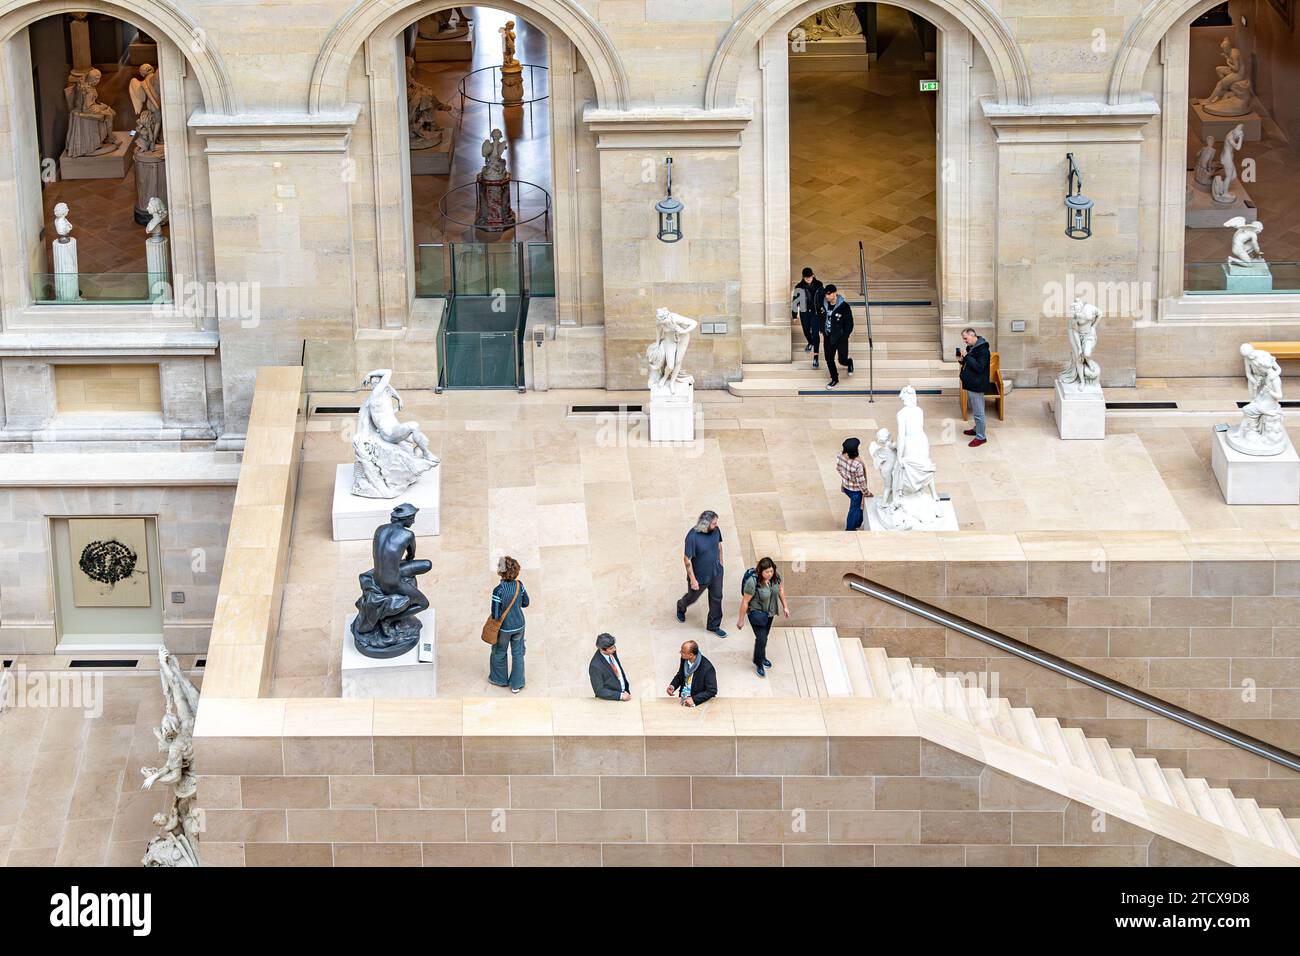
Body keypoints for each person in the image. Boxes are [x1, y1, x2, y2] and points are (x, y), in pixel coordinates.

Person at [675, 510, 726, 637]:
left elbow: (719, 546)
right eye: (714, 523)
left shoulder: (716, 530)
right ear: (705, 524)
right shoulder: (692, 537)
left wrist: (721, 564)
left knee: (717, 598)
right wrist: (693, 579)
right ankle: (681, 606)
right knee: (692, 598)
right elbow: (687, 559)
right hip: (699, 577)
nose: (716, 525)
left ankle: (714, 625)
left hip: (716, 573)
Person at [737, 557, 789, 678]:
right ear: (760, 571)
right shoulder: (752, 582)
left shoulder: (775, 577)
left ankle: (762, 656)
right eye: (767, 572)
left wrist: (785, 607)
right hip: (756, 613)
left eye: (771, 571)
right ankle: (758, 662)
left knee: (764, 637)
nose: (770, 574)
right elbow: (745, 602)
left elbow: (780, 590)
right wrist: (741, 620)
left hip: (769, 613)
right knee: (762, 638)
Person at [487, 555, 529, 693]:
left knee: (499, 652)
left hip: (504, 629)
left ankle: (499, 679)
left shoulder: (498, 591)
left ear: (500, 571)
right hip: (520, 625)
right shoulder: (519, 585)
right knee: (518, 654)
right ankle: (517, 684)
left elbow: (496, 615)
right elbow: (526, 603)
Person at [957, 327, 993, 447]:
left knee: (978, 412)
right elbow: (970, 363)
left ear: (972, 336)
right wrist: (962, 360)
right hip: (971, 383)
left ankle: (981, 436)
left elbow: (979, 367)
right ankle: (977, 429)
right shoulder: (972, 347)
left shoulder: (983, 350)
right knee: (976, 409)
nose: (965, 341)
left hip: (977, 384)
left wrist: (967, 356)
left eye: (965, 338)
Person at [791, 267, 824, 368]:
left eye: (810, 277)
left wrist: (824, 311)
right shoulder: (799, 287)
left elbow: (823, 298)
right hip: (804, 312)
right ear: (803, 277)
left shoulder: (819, 284)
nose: (809, 279)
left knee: (815, 333)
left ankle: (816, 357)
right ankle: (810, 342)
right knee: (806, 331)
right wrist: (794, 315)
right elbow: (795, 302)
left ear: (813, 275)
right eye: (806, 278)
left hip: (815, 313)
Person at [836, 437, 872, 531]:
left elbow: (839, 469)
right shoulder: (857, 464)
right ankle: (850, 529)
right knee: (854, 510)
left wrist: (847, 477)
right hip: (855, 491)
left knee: (858, 507)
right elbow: (861, 482)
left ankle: (858, 522)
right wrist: (866, 493)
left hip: (846, 487)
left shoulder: (840, 456)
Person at [822, 284, 854, 389]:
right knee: (829, 359)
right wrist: (822, 329)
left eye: (829, 294)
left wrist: (845, 336)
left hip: (841, 338)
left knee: (842, 360)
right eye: (826, 294)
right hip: (828, 337)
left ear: (835, 293)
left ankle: (849, 363)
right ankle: (834, 379)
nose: (827, 296)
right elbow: (820, 318)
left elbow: (850, 324)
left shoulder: (844, 306)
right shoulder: (823, 305)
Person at [667, 640, 717, 707]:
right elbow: (680, 674)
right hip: (684, 697)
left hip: (697, 702)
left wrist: (694, 699)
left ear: (691, 655)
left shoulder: (708, 668)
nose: (680, 653)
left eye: (683, 652)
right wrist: (673, 686)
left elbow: (712, 690)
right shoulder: (684, 659)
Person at [589, 633, 631, 701]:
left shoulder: (611, 650)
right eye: (611, 648)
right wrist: (620, 696)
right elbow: (599, 690)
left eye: (614, 646)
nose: (614, 649)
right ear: (602, 649)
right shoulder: (595, 666)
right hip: (611, 700)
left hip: (624, 693)